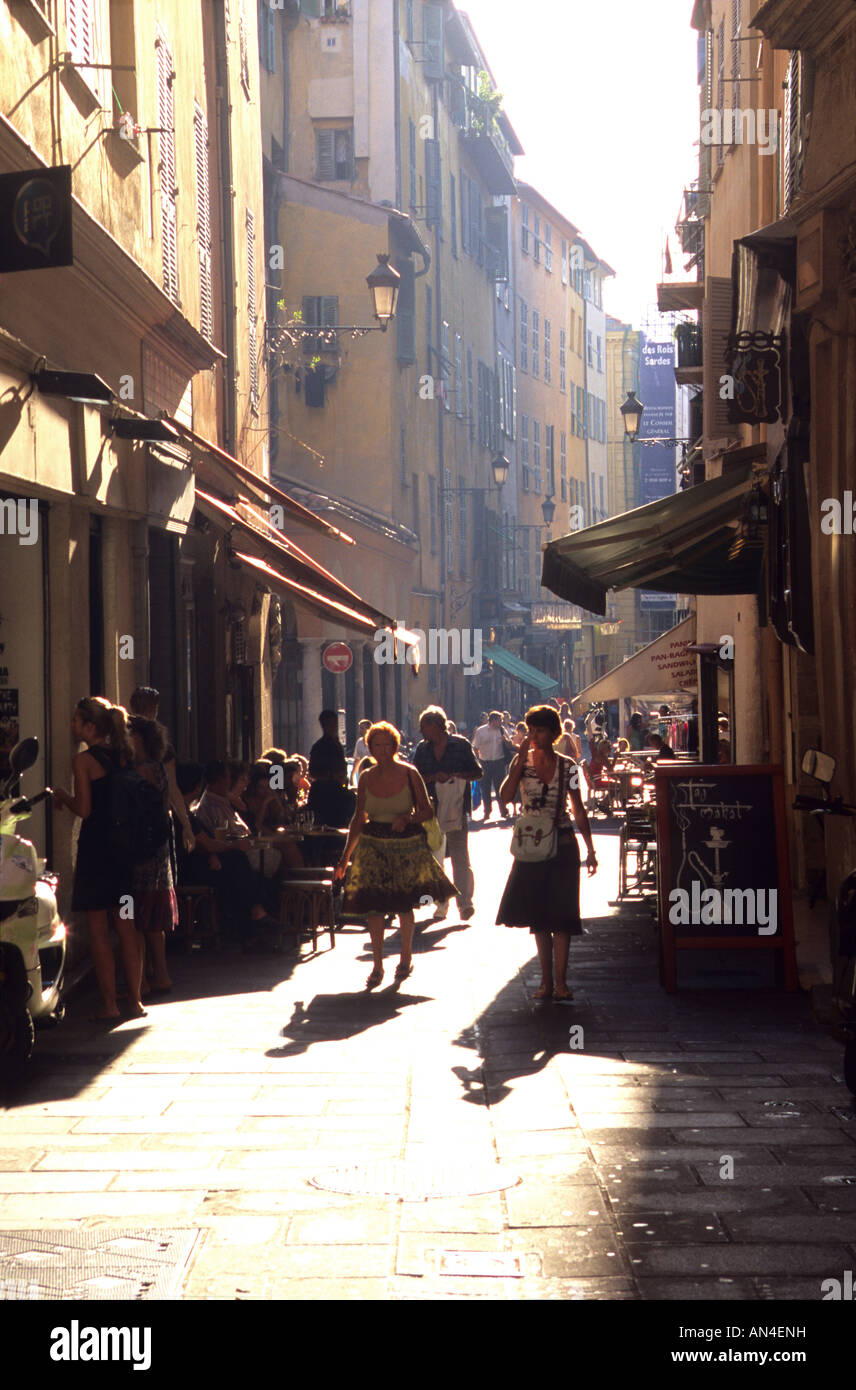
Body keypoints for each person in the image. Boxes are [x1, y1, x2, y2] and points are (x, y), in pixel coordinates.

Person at [334, 721, 457, 989]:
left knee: (403, 904)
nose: (381, 750)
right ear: (369, 748)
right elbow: (359, 818)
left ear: (394, 746)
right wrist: (345, 858)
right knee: (374, 906)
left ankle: (405, 957)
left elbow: (427, 811)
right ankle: (377, 965)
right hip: (372, 845)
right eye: (375, 745)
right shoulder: (366, 777)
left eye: (386, 744)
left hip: (405, 843)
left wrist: (407, 818)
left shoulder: (410, 773)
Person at [496, 705, 598, 1000]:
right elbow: (505, 796)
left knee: (563, 916)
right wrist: (517, 762)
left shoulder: (569, 766)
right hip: (532, 846)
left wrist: (590, 849)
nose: (534, 736)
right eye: (530, 730)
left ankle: (561, 982)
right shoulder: (521, 762)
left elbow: (578, 807)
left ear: (554, 733)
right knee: (539, 917)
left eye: (539, 730)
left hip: (563, 844)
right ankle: (545, 980)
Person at [52, 697, 144, 1021]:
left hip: (96, 851)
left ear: (90, 727)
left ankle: (109, 1004)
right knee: (126, 925)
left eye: (76, 721)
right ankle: (135, 1000)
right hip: (123, 852)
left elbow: (85, 809)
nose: (72, 727)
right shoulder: (123, 756)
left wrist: (62, 796)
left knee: (98, 927)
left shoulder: (85, 761)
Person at [413, 706, 483, 922]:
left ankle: (465, 903)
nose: (421, 731)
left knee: (460, 857)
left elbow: (477, 772)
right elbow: (415, 778)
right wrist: (434, 777)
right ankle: (441, 903)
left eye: (423, 726)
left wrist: (456, 775)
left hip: (456, 807)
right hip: (429, 811)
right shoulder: (422, 749)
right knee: (435, 858)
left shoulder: (460, 745)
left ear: (435, 726)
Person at [128, 716, 178, 995]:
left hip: (142, 850)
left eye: (131, 735)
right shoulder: (157, 767)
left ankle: (144, 979)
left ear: (143, 740)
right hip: (156, 848)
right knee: (151, 915)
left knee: (138, 915)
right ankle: (159, 974)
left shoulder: (143, 769)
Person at [129, 687, 195, 856]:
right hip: (156, 818)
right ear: (154, 709)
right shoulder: (158, 743)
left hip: (128, 819)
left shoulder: (123, 737)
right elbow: (172, 788)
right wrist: (186, 825)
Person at [308, 710, 355, 827]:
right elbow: (312, 772)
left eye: (334, 724)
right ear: (324, 725)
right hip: (327, 794)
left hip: (336, 790)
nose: (333, 727)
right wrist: (331, 776)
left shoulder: (336, 743)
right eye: (330, 724)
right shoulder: (320, 747)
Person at [472, 710, 508, 822]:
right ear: (493, 721)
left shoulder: (502, 730)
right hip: (485, 762)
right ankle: (487, 811)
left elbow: (509, 743)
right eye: (499, 720)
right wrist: (478, 761)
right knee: (485, 788)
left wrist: (505, 740)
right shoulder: (481, 731)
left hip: (499, 762)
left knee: (500, 788)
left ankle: (503, 810)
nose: (501, 723)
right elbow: (475, 747)